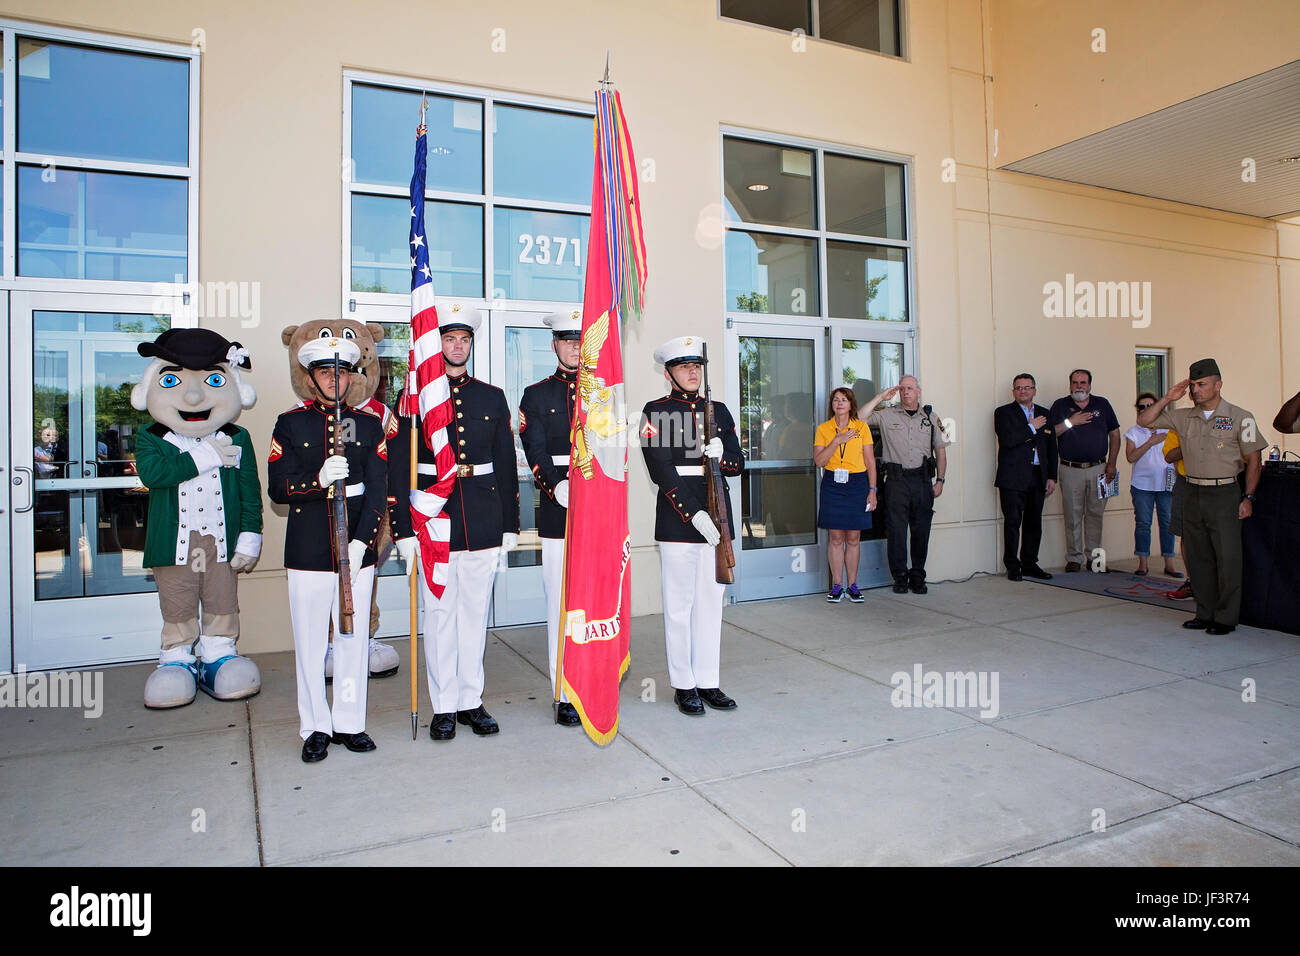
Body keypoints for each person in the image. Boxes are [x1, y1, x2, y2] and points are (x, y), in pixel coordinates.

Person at [395, 308, 519, 740]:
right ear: (437, 344)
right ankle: (443, 705)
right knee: (441, 613)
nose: (457, 346)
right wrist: (403, 529)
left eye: (464, 339)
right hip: (435, 520)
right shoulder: (416, 398)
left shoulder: (491, 396)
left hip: (482, 518)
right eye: (449, 339)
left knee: (473, 614)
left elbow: (504, 463)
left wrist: (509, 525)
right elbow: (398, 465)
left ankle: (470, 700)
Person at [267, 335, 389, 762]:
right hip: (309, 548)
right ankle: (315, 726)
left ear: (351, 376)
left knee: (352, 642)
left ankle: (350, 722)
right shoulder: (291, 424)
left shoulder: (368, 424)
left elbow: (379, 490)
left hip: (357, 546)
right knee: (310, 642)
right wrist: (315, 482)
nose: (334, 380)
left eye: (341, 372)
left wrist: (361, 543)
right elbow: (278, 488)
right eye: (324, 372)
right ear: (310, 378)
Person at [639, 336, 744, 717]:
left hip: (717, 517)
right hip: (679, 519)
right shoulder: (656, 411)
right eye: (685, 367)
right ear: (669, 373)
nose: (692, 373)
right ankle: (684, 684)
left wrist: (723, 456)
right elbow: (661, 469)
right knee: (680, 605)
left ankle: (708, 680)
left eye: (697, 366)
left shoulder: (720, 411)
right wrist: (693, 513)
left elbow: (737, 461)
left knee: (710, 605)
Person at [1137, 358, 1267, 635]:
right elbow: (1144, 420)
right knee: (1198, 558)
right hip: (1192, 490)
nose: (1195, 390)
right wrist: (1168, 397)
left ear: (1218, 385)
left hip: (1224, 492)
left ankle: (1225, 617)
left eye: (1202, 384)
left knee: (1227, 558)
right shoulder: (1182, 416)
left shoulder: (1240, 416)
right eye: (1193, 385)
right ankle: (1204, 613)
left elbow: (1254, 461)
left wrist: (1249, 498)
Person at [518, 310, 582, 727]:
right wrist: (556, 486)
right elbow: (535, 449)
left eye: (580, 340)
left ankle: (591, 682)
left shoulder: (605, 392)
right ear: (553, 344)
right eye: (566, 340)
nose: (574, 346)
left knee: (593, 605)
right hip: (559, 510)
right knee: (560, 603)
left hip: (598, 513)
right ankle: (563, 692)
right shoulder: (536, 395)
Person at [860, 376, 950, 594]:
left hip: (922, 481)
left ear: (919, 391)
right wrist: (881, 397)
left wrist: (940, 480)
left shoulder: (931, 417)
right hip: (896, 481)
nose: (906, 392)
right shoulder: (886, 414)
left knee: (921, 531)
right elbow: (859, 418)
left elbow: (941, 451)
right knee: (897, 531)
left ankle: (918, 575)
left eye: (910, 388)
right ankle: (900, 576)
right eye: (902, 389)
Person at [1049, 369, 1120, 572]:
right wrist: (1072, 422)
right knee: (1072, 515)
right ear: (1070, 384)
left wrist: (1112, 464)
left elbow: (1115, 435)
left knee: (1096, 515)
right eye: (1075, 382)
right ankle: (1074, 558)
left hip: (1099, 468)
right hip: (1070, 468)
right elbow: (1050, 434)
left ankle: (1094, 558)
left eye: (1083, 382)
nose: (1079, 386)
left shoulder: (1102, 404)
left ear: (1090, 385)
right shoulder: (1060, 405)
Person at [812, 387, 877, 602]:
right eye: (836, 400)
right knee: (836, 536)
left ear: (851, 404)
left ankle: (853, 585)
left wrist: (872, 490)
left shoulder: (861, 428)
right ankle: (837, 585)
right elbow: (819, 461)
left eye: (844, 400)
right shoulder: (824, 429)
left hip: (857, 482)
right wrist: (836, 441)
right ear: (832, 405)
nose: (840, 403)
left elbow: (870, 462)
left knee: (853, 537)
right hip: (832, 483)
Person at [994, 373, 1057, 581]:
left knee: (1033, 522)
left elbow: (1051, 449)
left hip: (1037, 476)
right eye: (1019, 388)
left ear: (1034, 390)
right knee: (1013, 521)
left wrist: (1051, 477)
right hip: (1012, 477)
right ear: (1013, 391)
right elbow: (1008, 439)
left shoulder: (1045, 414)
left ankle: (1030, 563)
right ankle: (1013, 565)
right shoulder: (1003, 413)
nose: (1023, 391)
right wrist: (1031, 427)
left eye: (1027, 387)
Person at [1123, 392, 1179, 577]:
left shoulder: (1169, 430)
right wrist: (1150, 442)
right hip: (1142, 486)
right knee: (1143, 523)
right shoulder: (1133, 432)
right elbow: (1131, 457)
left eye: (1150, 406)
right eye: (1142, 407)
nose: (1147, 410)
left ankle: (1169, 563)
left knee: (1168, 523)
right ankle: (1143, 563)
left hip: (1166, 484)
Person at [1161, 430, 1194, 601]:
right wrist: (1192, 442)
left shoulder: (1229, 418)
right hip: (1185, 481)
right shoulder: (1181, 423)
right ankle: (1191, 583)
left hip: (1217, 484)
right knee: (1186, 534)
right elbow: (1169, 455)